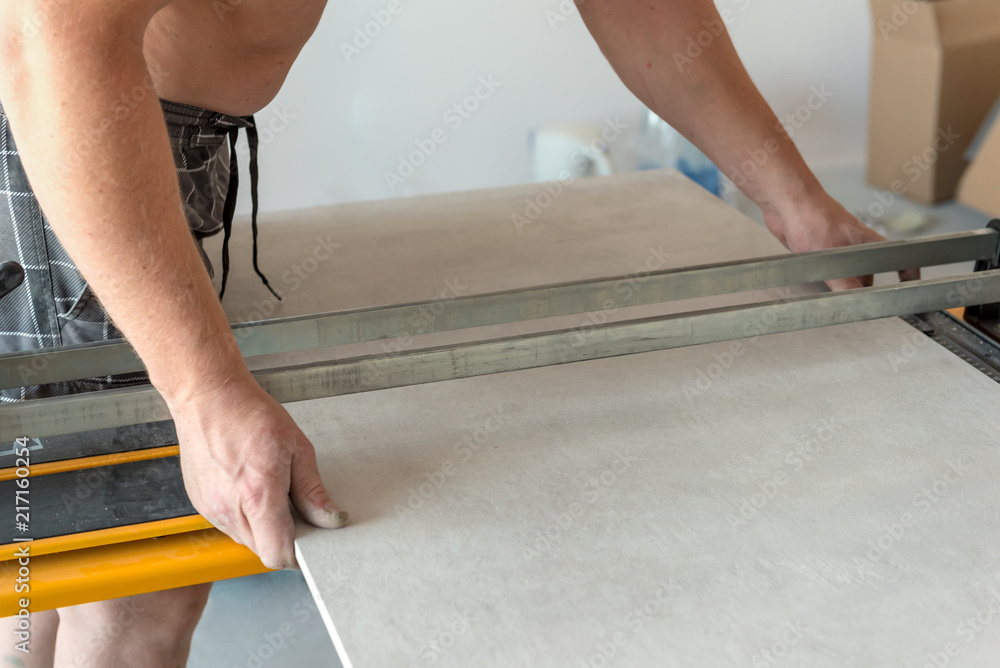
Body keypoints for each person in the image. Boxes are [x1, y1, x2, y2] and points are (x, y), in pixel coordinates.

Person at [0, 1, 898, 665]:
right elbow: (52, 38)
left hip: (138, 128)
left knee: (47, 535)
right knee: (132, 582)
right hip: (64, 125)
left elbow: (648, 8)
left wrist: (797, 205)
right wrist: (203, 394)